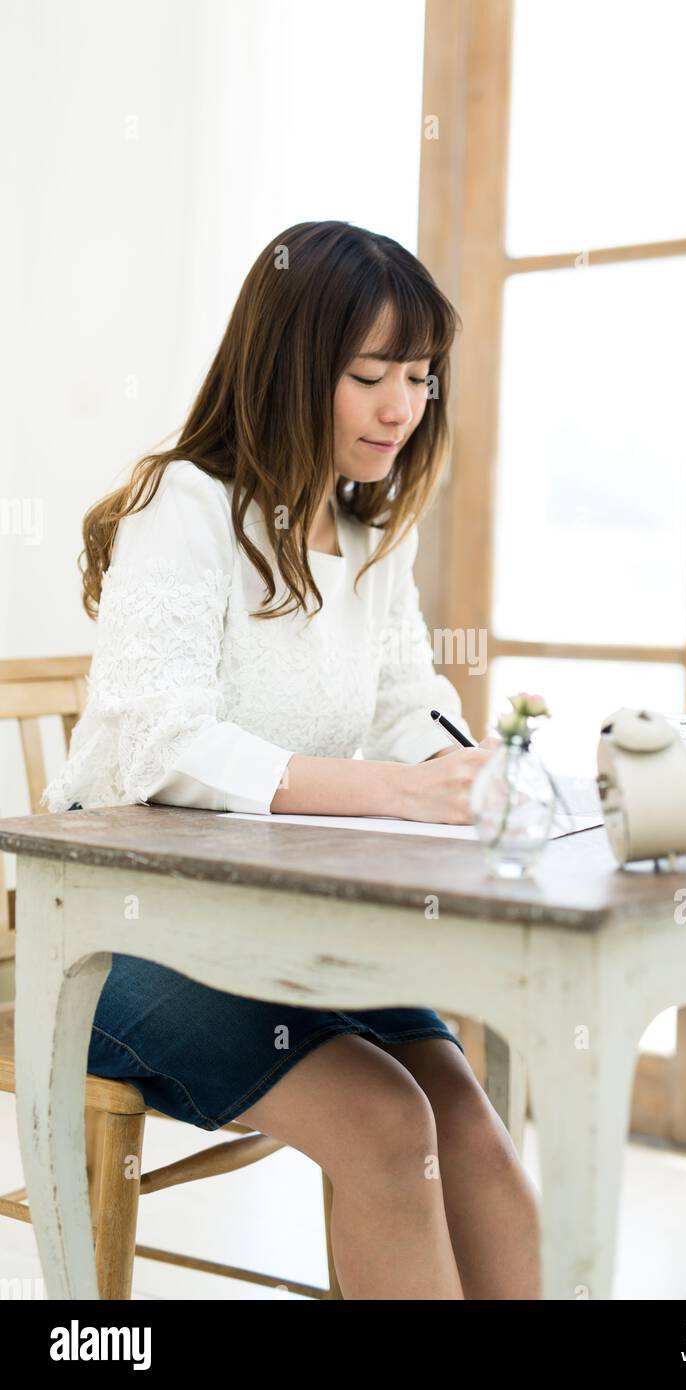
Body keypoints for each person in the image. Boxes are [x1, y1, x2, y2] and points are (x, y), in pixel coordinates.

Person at [42, 221, 540, 1299]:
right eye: (369, 375)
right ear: (291, 367)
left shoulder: (368, 539)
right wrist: (395, 793)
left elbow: (410, 704)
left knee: (480, 1143)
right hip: (117, 934)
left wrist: (481, 773)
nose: (401, 406)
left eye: (417, 377)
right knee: (384, 1127)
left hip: (280, 931)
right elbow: (163, 745)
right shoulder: (178, 510)